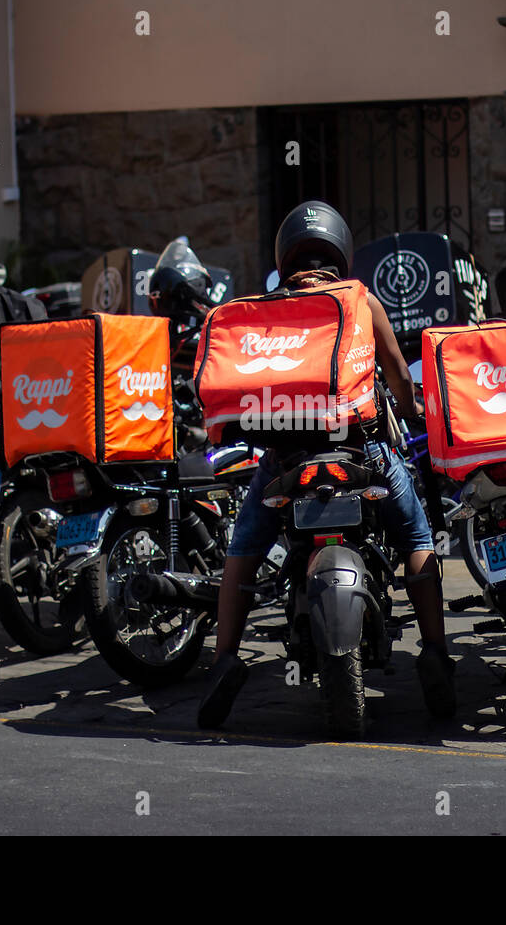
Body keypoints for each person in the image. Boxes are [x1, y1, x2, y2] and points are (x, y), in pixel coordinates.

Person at [197, 200, 454, 729]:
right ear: (341, 250)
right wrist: (409, 409)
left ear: (284, 255)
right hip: (363, 453)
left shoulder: (265, 310)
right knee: (417, 539)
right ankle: (434, 652)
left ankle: (225, 658)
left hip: (285, 461)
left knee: (244, 547)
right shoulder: (362, 301)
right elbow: (399, 380)